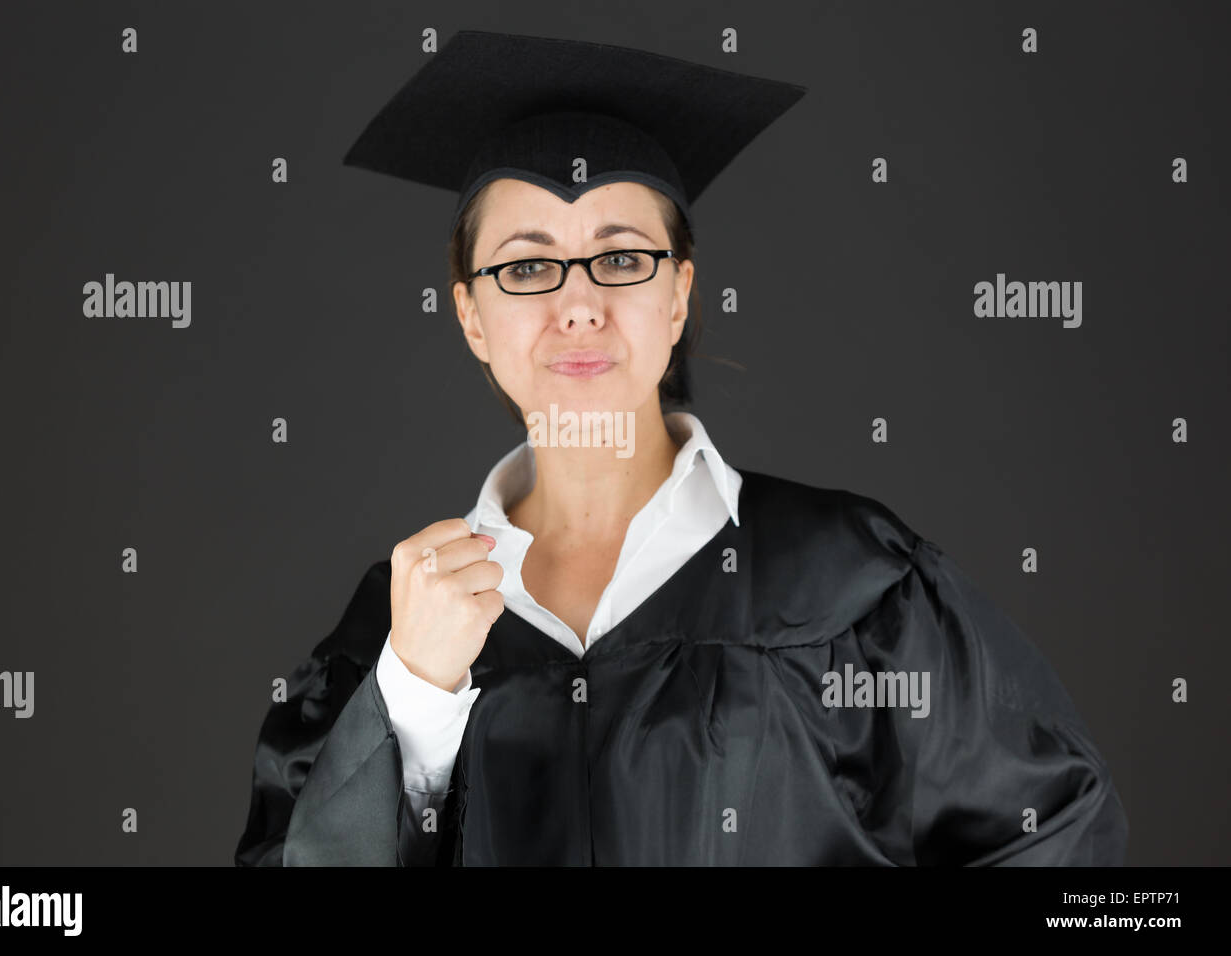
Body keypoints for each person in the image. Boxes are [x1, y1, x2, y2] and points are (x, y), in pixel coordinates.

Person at [234, 30, 1128, 866]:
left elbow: (1062, 845)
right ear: (471, 314)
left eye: (621, 259)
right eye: (526, 265)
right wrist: (417, 698)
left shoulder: (852, 586)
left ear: (678, 296)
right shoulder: (393, 628)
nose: (578, 303)